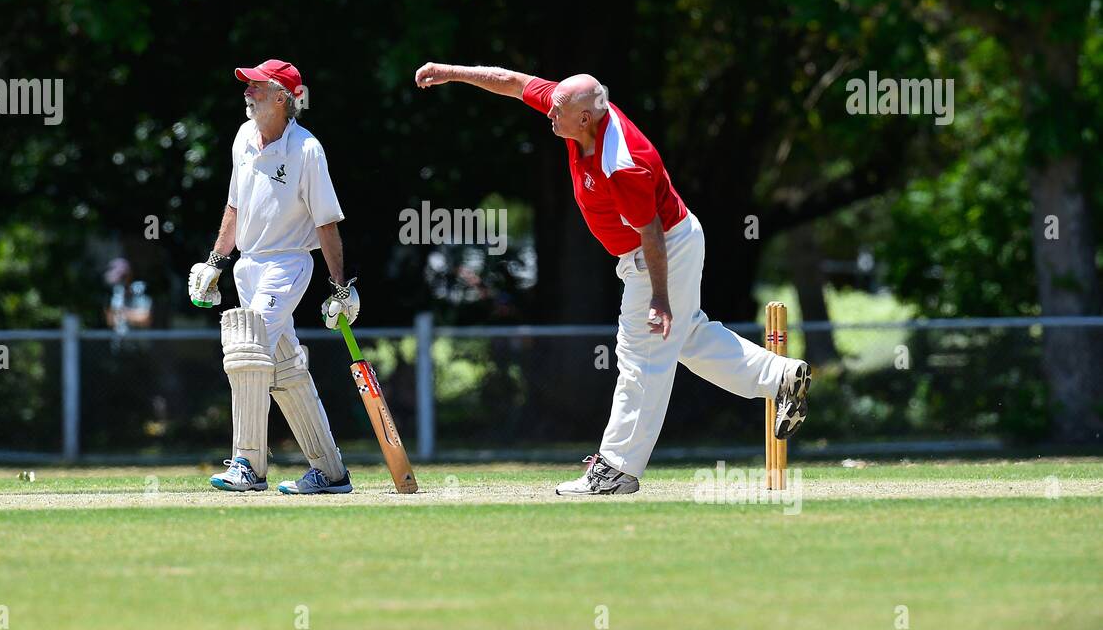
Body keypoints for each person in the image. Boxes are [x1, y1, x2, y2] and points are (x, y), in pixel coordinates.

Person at [414, 62, 811, 496]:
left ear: (584, 118)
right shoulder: (576, 108)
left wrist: (659, 297)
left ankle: (618, 469)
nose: (550, 113)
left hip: (662, 251)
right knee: (688, 339)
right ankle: (782, 377)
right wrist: (450, 72)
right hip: (658, 248)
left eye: (558, 111)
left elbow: (652, 233)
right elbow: (515, 83)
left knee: (641, 357)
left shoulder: (621, 162)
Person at [189, 59, 360, 495]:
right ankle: (331, 472)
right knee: (284, 369)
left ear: (283, 97)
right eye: (246, 86)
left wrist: (341, 289)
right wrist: (215, 262)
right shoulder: (244, 138)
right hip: (248, 265)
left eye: (257, 87)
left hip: (288, 264)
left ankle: (248, 465)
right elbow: (234, 207)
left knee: (246, 348)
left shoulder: (307, 150)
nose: (247, 92)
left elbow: (326, 224)